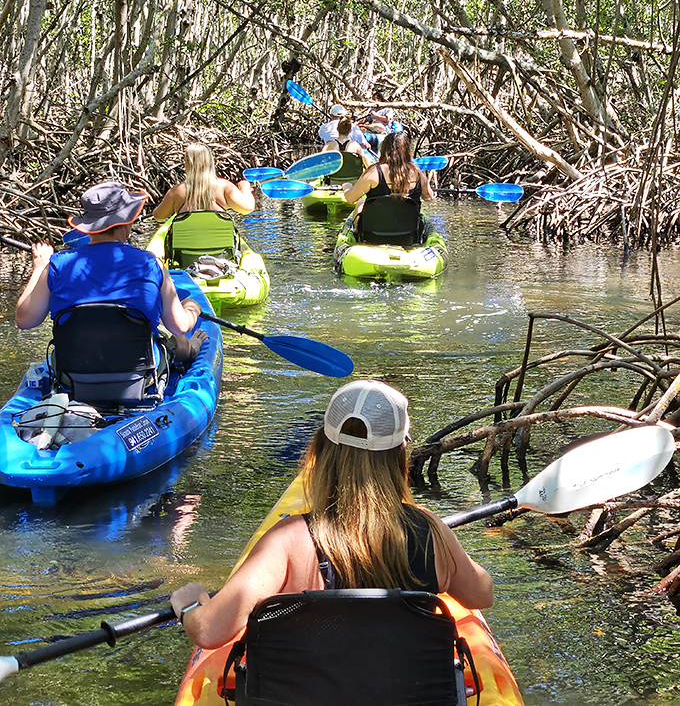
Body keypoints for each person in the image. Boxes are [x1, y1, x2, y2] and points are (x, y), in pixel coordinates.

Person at [170, 380, 493, 649]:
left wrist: (191, 604)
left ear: (321, 449)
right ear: (400, 455)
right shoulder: (430, 531)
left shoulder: (289, 543)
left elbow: (209, 632)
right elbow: (482, 594)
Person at [15, 181, 205, 361]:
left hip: (73, 375)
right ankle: (193, 349)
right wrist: (191, 310)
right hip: (138, 376)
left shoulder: (56, 265)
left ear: (87, 226)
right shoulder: (150, 263)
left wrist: (39, 267)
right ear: (127, 221)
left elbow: (25, 320)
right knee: (174, 337)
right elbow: (179, 326)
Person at [342, 131, 435, 223]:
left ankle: (359, 235)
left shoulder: (374, 173)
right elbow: (429, 197)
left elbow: (350, 199)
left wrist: (347, 187)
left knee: (360, 203)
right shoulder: (417, 173)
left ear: (384, 149)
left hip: (375, 232)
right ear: (407, 151)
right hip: (409, 233)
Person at [152, 143, 255, 221]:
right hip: (218, 247)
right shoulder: (224, 186)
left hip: (186, 248)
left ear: (187, 163)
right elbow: (248, 208)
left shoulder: (177, 191)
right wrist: (246, 189)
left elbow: (158, 216)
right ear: (210, 161)